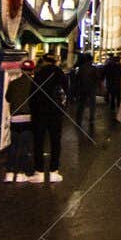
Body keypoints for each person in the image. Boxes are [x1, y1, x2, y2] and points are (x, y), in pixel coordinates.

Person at [29, 53, 69, 181]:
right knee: (55, 141)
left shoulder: (39, 74)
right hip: (55, 112)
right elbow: (66, 93)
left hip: (40, 112)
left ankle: (39, 171)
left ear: (44, 61)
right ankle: (54, 170)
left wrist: (34, 110)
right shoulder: (60, 74)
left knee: (39, 141)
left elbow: (32, 95)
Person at [4, 60, 35, 182]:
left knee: (14, 146)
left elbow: (8, 98)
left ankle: (10, 173)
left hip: (15, 118)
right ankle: (22, 172)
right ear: (32, 71)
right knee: (26, 147)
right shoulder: (35, 84)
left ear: (21, 70)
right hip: (28, 118)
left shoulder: (13, 83)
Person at [69, 51, 101, 136]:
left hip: (83, 89)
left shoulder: (81, 68)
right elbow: (97, 79)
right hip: (91, 89)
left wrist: (75, 90)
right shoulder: (94, 68)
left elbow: (77, 80)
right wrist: (100, 87)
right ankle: (91, 119)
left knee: (81, 104)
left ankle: (78, 119)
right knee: (92, 104)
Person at [102, 51, 121, 124]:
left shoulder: (108, 65)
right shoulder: (120, 66)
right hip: (117, 83)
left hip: (111, 83)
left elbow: (104, 73)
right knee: (117, 96)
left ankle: (113, 107)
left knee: (113, 95)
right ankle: (118, 107)